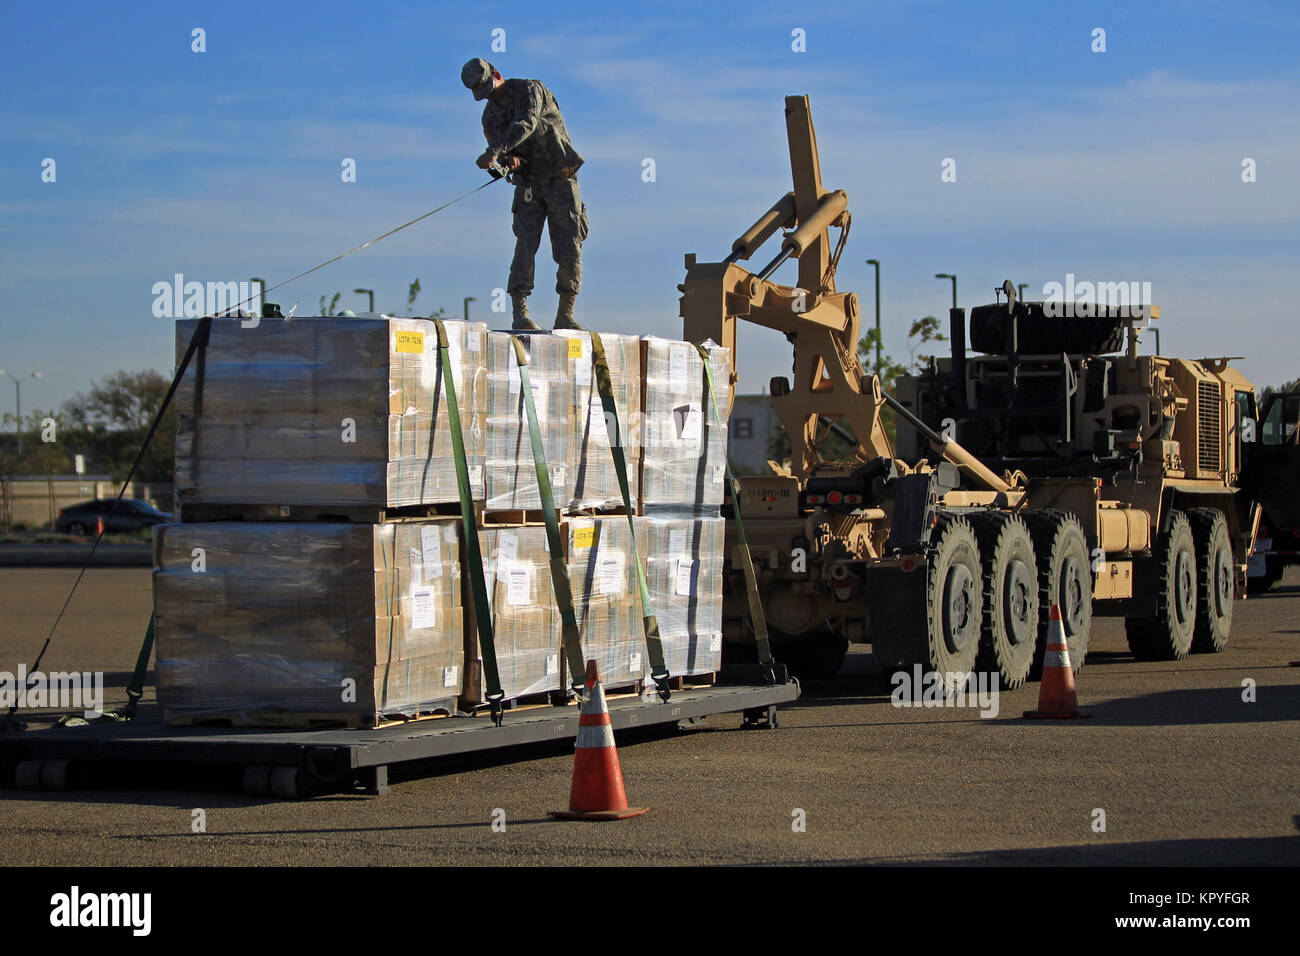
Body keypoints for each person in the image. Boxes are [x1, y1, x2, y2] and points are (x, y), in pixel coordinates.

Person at [461, 58, 588, 331]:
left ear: (496, 74)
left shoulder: (531, 90)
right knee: (525, 243)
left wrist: (495, 150)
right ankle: (520, 311)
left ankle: (565, 312)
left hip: (559, 174)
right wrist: (508, 160)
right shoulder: (490, 117)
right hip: (529, 181)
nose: (490, 98)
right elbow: (507, 155)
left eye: (490, 88)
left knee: (568, 242)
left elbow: (526, 122)